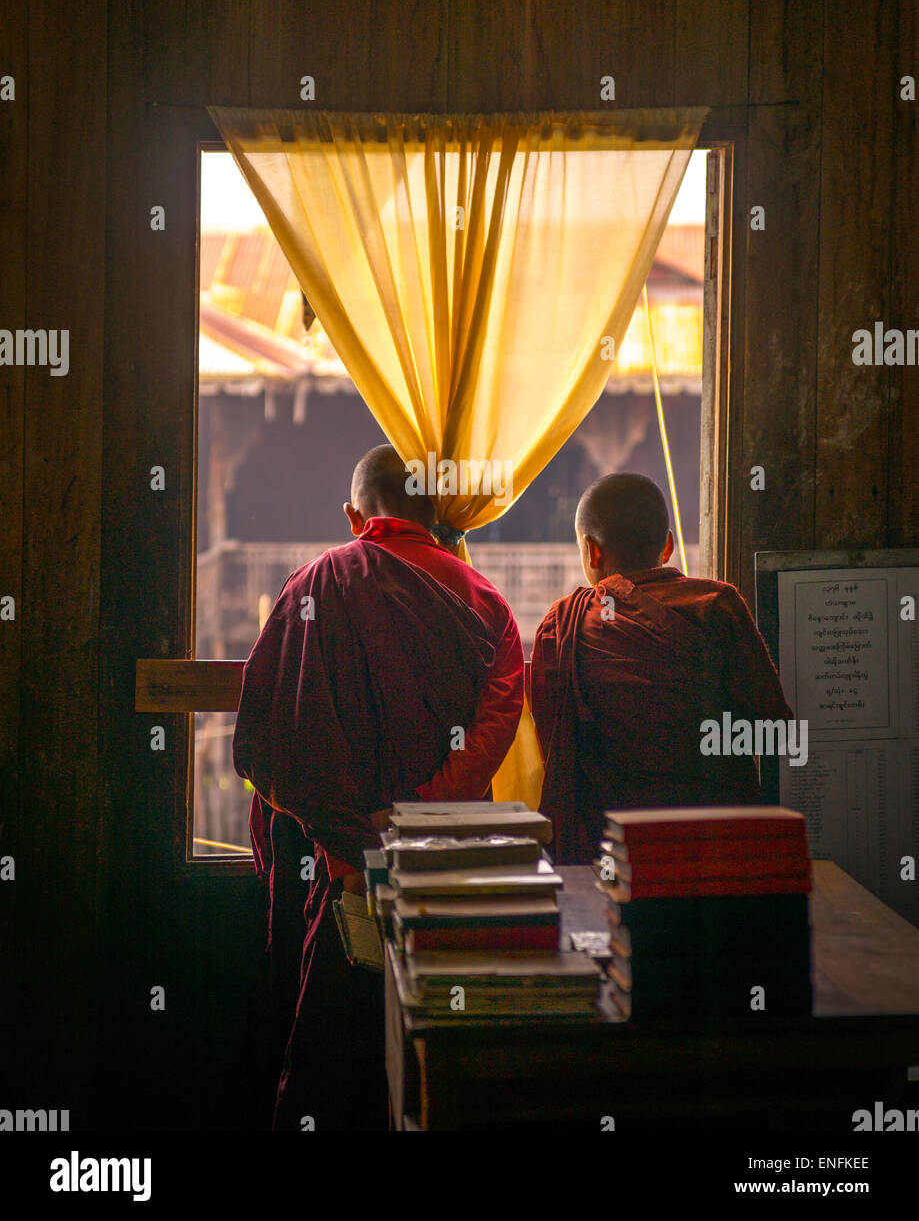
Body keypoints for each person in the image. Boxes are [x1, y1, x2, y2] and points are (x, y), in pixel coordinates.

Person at [233, 444, 524, 1130]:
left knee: (331, 1060)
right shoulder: (484, 600)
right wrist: (417, 815)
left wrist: (353, 832)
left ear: (352, 515)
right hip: (443, 862)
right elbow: (496, 722)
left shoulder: (311, 586)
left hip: (339, 869)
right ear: (435, 510)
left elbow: (272, 740)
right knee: (440, 1053)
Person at [530, 472, 793, 863]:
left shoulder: (564, 624)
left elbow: (554, 737)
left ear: (591, 551)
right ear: (668, 545)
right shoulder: (717, 604)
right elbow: (774, 729)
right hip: (716, 848)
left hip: (611, 851)